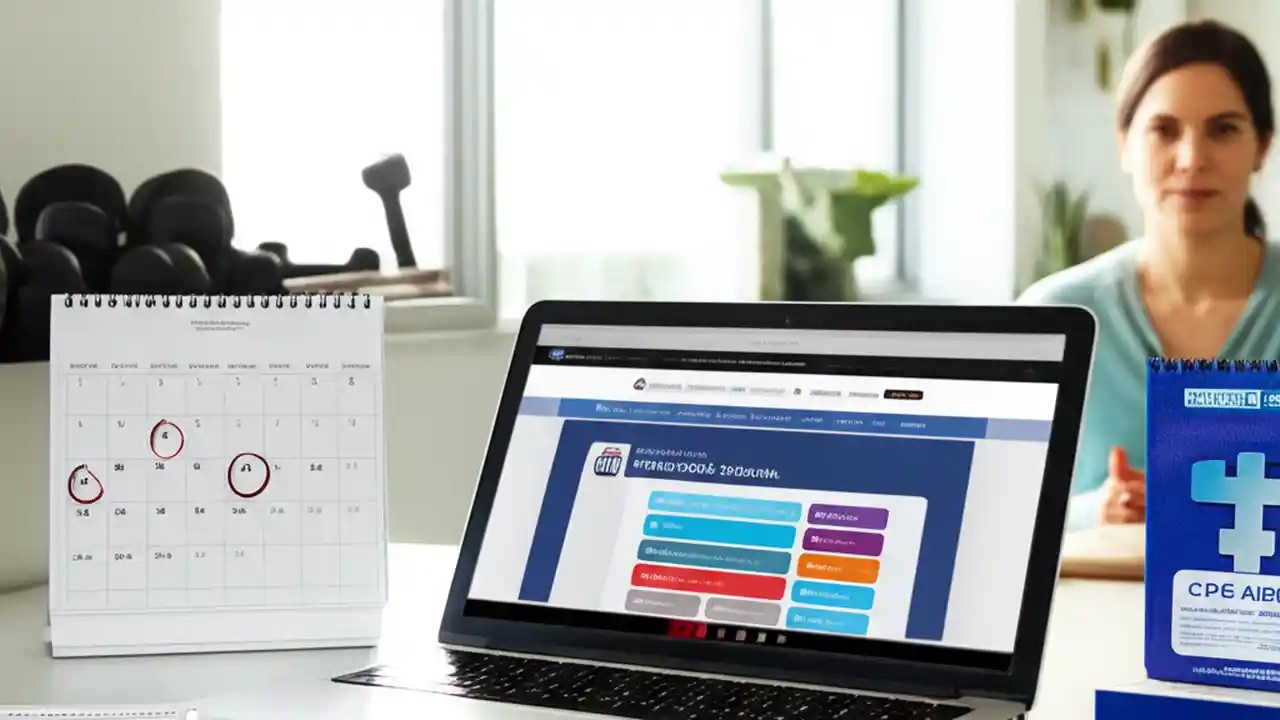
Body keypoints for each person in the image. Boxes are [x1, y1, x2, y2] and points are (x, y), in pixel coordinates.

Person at [1019, 20, 1280, 531]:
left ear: (1262, 146)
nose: (1192, 159)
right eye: (1164, 130)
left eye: (1223, 129)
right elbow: (996, 510)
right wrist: (1097, 512)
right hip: (1090, 608)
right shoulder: (1055, 315)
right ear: (1124, 143)